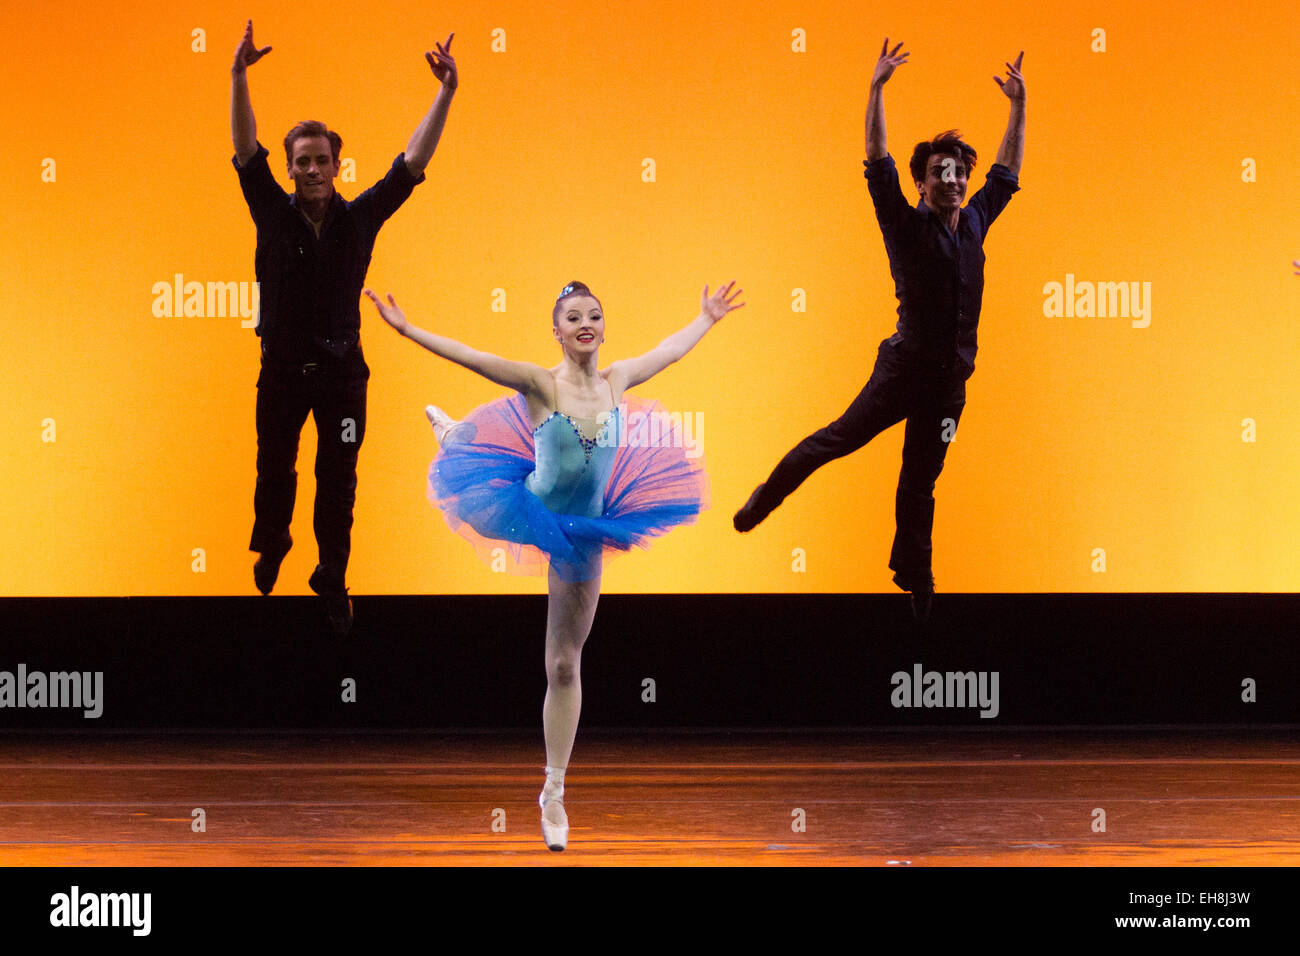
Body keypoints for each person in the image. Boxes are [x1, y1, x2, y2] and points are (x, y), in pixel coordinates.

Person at [365, 280, 744, 850]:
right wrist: (407, 329)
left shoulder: (617, 380)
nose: (585, 323)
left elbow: (667, 351)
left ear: (602, 325)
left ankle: (554, 793)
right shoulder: (540, 384)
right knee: (476, 483)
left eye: (594, 314)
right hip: (528, 508)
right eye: (573, 317)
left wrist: (707, 318)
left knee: (564, 665)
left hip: (586, 531)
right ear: (557, 330)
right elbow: (474, 357)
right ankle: (454, 441)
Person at [734, 39, 1025, 623]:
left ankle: (917, 581)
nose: (952, 179)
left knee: (920, 482)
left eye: (958, 172)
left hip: (949, 387)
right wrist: (876, 90)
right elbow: (877, 162)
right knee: (837, 439)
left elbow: (1007, 172)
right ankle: (763, 499)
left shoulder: (975, 222)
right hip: (901, 374)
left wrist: (1018, 107)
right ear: (922, 184)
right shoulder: (902, 223)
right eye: (940, 173)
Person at [230, 20, 458, 634]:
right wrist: (238, 76)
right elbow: (246, 149)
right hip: (280, 371)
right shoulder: (270, 212)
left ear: (335, 163)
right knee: (274, 467)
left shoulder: (359, 221)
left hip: (340, 377)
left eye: (321, 159)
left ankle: (332, 575)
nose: (312, 169)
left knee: (339, 479)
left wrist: (445, 94)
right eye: (301, 161)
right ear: (289, 166)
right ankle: (273, 539)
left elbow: (410, 165)